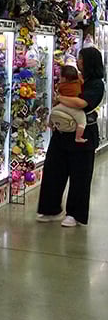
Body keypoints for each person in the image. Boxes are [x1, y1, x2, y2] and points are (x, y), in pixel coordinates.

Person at [37, 45, 105, 227]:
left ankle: (75, 214)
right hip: (61, 133)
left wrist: (60, 98)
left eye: (81, 58)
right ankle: (50, 209)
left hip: (84, 133)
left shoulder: (97, 84)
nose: (79, 61)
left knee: (80, 177)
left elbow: (82, 103)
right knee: (53, 170)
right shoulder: (75, 78)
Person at [49, 65, 86, 143]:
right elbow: (82, 82)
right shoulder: (78, 82)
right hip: (72, 107)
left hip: (61, 105)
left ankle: (50, 124)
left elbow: (58, 96)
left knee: (52, 112)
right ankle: (78, 137)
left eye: (60, 76)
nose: (59, 78)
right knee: (82, 120)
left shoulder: (61, 86)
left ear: (64, 78)